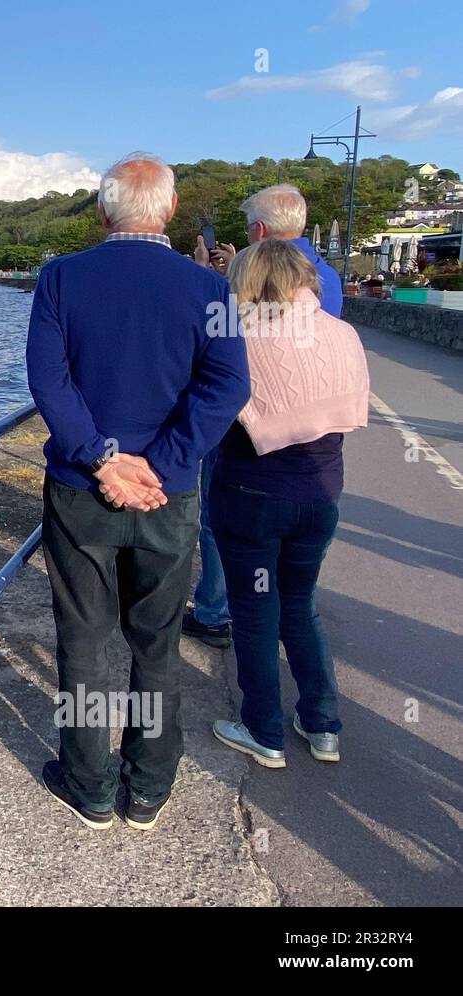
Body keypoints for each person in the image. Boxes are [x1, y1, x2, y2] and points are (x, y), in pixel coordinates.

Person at [26, 152, 250, 831]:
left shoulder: (62, 278)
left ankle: (91, 786)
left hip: (78, 490)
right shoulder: (210, 289)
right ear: (172, 212)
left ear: (103, 211)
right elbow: (229, 385)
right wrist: (168, 462)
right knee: (155, 643)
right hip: (169, 495)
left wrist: (102, 458)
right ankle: (147, 789)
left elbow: (48, 379)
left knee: (85, 642)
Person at [210, 239, 369, 768]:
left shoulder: (242, 337)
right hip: (320, 495)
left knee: (255, 611)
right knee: (300, 605)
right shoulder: (341, 333)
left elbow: (214, 413)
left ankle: (263, 730)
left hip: (251, 495)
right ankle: (323, 725)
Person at [186, 184, 344, 651]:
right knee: (297, 590)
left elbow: (225, 344)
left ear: (257, 228)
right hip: (317, 442)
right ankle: (317, 710)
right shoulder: (327, 276)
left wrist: (206, 278)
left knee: (218, 522)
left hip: (250, 430)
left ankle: (216, 612)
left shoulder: (250, 282)